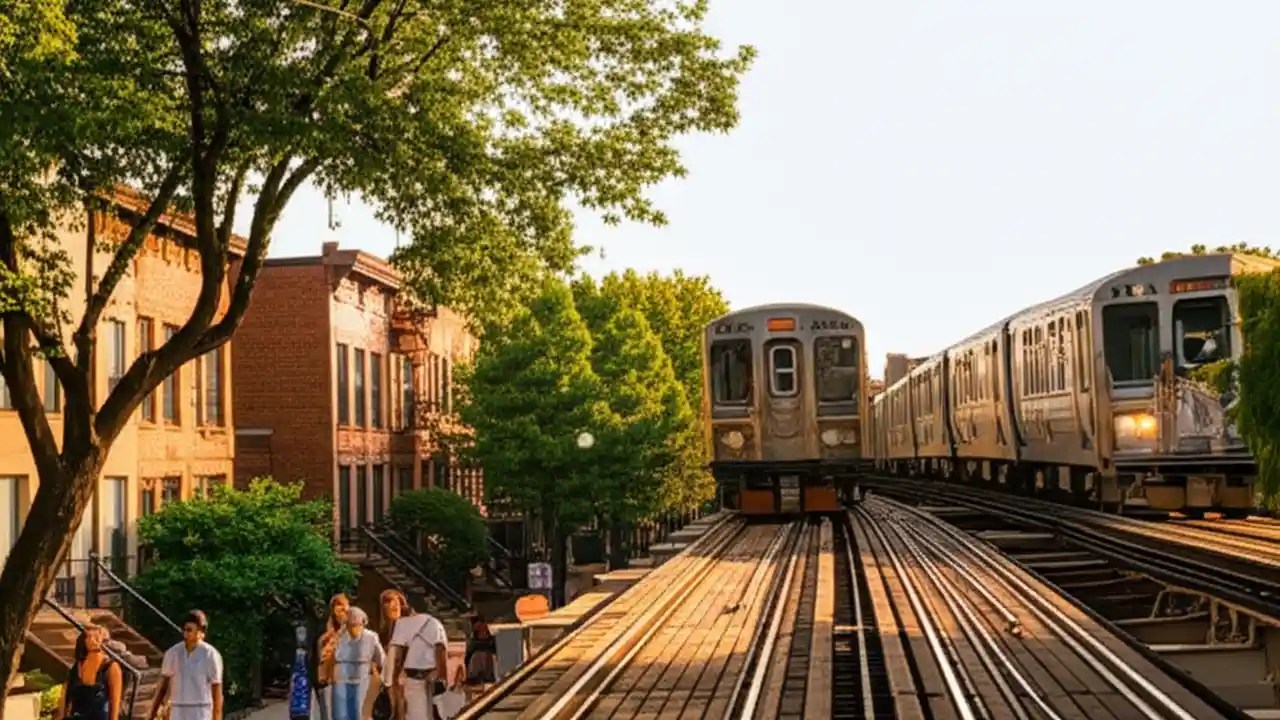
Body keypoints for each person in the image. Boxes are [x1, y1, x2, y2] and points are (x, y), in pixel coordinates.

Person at [149, 610, 223, 720]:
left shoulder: (210, 655)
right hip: (178, 710)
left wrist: (217, 716)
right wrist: (152, 713)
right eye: (184, 630)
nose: (186, 633)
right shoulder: (173, 653)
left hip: (201, 711)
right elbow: (163, 687)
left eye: (190, 630)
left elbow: (216, 691)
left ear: (200, 630)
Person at [389, 605, 448, 720]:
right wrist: (442, 676)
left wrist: (394, 676)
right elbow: (440, 650)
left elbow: (398, 655)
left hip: (413, 675)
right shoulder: (435, 623)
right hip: (432, 674)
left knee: (415, 714)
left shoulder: (402, 623)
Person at [57, 624, 122, 720]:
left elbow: (115, 703)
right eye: (88, 637)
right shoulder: (78, 665)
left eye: (96, 637)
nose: (92, 641)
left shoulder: (111, 667)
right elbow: (67, 695)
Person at [332, 608, 385, 720]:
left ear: (363, 623)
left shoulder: (371, 637)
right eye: (351, 625)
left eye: (358, 625)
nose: (354, 628)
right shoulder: (339, 636)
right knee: (341, 715)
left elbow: (382, 659)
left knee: (360, 714)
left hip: (363, 679)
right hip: (341, 679)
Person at [315, 594, 351, 720]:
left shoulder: (359, 634)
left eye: (344, 604)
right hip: (330, 687)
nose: (341, 609)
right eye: (337, 605)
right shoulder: (326, 639)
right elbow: (321, 669)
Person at [377, 591, 412, 720]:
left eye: (398, 602)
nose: (394, 604)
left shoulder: (409, 629)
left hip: (406, 685)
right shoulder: (384, 634)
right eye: (389, 601)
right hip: (390, 688)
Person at [463, 615, 496, 696]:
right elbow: (467, 658)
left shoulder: (493, 639)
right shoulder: (472, 642)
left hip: (490, 672)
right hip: (475, 673)